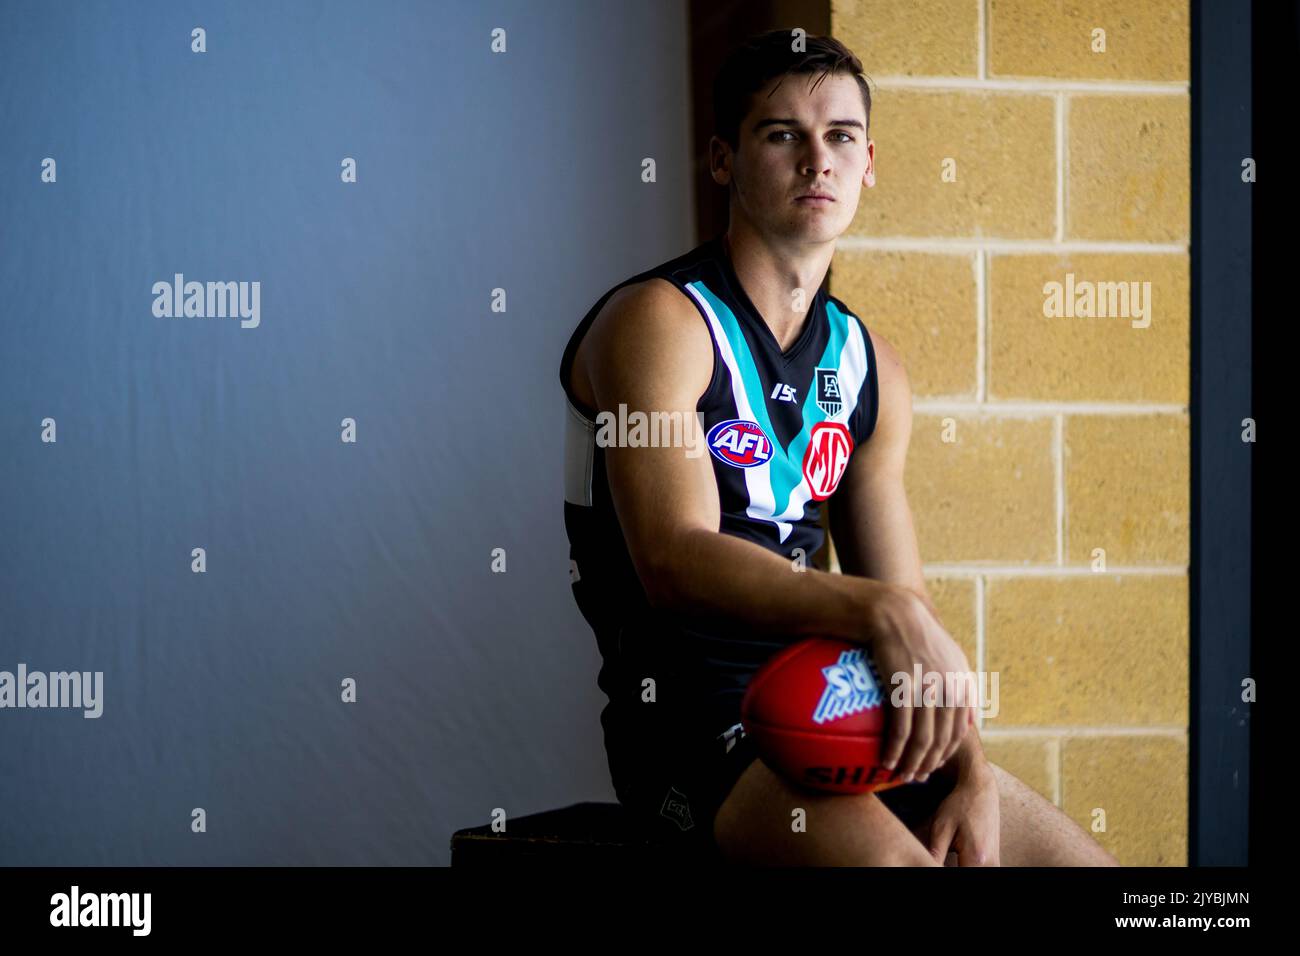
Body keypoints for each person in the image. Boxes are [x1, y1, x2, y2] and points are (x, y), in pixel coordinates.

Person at [558, 29, 1118, 866]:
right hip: (688, 715)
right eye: (781, 134)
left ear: (868, 164)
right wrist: (874, 611)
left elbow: (903, 601)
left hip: (835, 695)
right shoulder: (662, 322)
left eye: (841, 137)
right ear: (723, 160)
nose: (817, 160)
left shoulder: (870, 367)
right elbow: (674, 560)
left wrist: (967, 766)